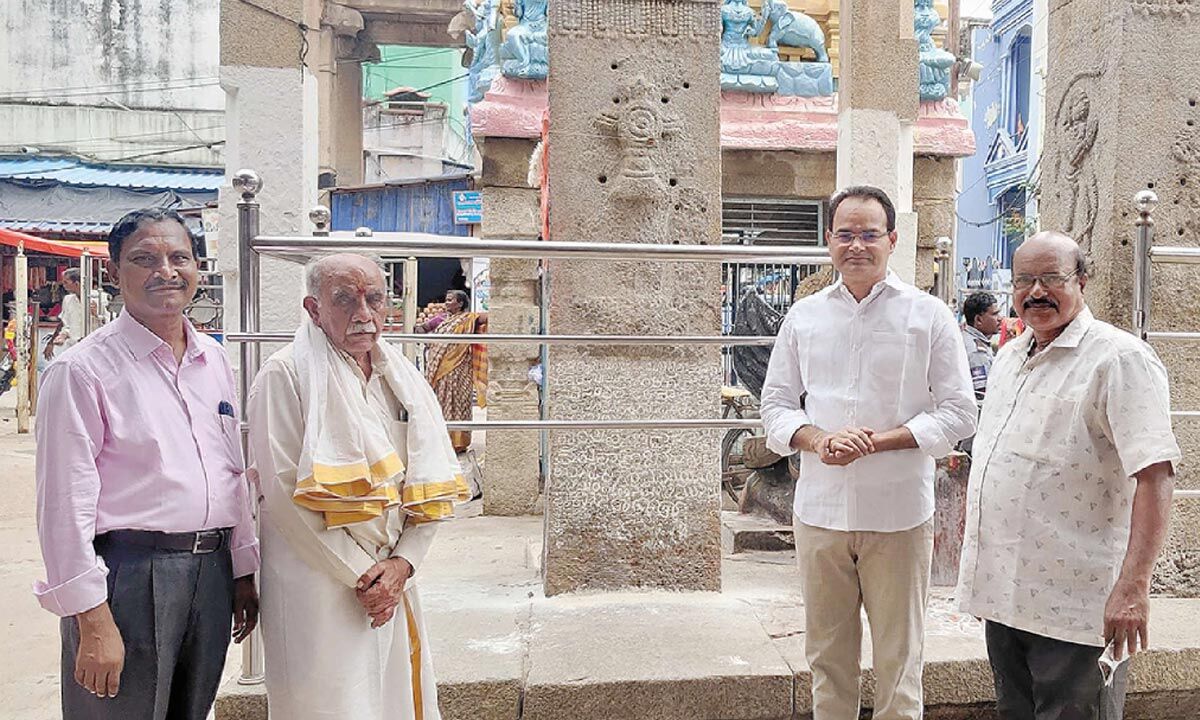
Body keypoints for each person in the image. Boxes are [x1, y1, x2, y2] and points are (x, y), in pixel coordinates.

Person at [33, 208, 260, 720]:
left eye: (180, 257)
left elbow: (228, 470)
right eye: (144, 259)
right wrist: (91, 618)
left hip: (211, 573)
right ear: (114, 274)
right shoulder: (82, 370)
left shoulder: (213, 359)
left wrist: (242, 570)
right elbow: (63, 505)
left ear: (198, 267)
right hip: (129, 576)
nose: (166, 271)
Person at [760, 185, 977, 719]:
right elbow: (776, 405)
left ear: (892, 239)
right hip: (820, 511)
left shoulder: (928, 316)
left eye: (869, 234)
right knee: (827, 660)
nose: (856, 245)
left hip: (898, 513)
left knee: (900, 662)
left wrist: (879, 441)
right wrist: (817, 439)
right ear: (829, 240)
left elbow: (959, 412)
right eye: (845, 234)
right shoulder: (804, 317)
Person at [956, 231, 1179, 719]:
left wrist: (1134, 587)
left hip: (1081, 608)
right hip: (1007, 600)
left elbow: (1156, 476)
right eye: (1024, 281)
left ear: (1081, 280)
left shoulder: (1119, 360)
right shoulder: (1011, 357)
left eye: (1052, 278)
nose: (1036, 292)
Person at [248, 253, 469, 720]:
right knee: (328, 704)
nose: (363, 314)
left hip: (393, 575)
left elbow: (428, 485)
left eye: (374, 298)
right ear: (313, 309)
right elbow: (285, 498)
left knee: (394, 701)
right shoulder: (284, 375)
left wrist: (403, 564)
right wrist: (366, 578)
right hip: (319, 579)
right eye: (344, 300)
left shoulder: (401, 377)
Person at [416, 288, 488, 453]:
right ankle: (439, 440)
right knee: (439, 401)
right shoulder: (441, 319)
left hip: (458, 368)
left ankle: (457, 442)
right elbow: (422, 329)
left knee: (457, 401)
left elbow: (489, 317)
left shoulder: (468, 318)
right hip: (438, 368)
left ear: (460, 303)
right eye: (446, 299)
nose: (446, 303)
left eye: (450, 300)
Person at [959, 292, 1001, 453]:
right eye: (995, 314)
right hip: (972, 438)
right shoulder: (977, 352)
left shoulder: (966, 339)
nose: (1000, 319)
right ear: (978, 320)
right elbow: (981, 398)